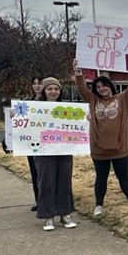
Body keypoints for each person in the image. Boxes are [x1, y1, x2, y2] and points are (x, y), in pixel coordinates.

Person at [74, 63, 128, 216]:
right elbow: (82, 89)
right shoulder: (93, 100)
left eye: (104, 85)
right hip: (99, 148)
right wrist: (78, 73)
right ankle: (99, 204)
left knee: (123, 176)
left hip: (120, 147)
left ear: (110, 86)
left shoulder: (123, 98)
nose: (102, 89)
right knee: (101, 177)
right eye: (98, 87)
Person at [33, 77, 77, 231]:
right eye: (50, 89)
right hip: (43, 151)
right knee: (46, 182)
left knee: (64, 181)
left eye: (56, 89)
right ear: (44, 91)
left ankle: (65, 214)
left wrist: (86, 119)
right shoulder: (35, 108)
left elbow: (77, 124)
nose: (53, 91)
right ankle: (48, 216)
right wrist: (14, 115)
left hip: (64, 150)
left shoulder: (67, 108)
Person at [25, 76, 44, 211]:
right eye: (34, 83)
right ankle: (39, 201)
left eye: (40, 83)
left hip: (48, 142)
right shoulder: (26, 103)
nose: (37, 86)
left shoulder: (51, 102)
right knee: (35, 172)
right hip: (32, 143)